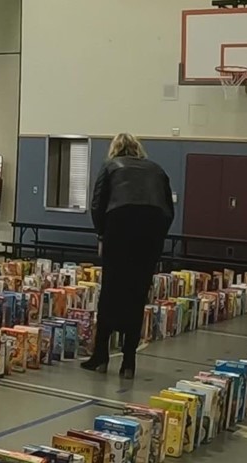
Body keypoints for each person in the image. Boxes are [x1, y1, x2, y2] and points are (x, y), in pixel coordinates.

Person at [81, 133, 174, 380]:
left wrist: (102, 233)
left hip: (119, 225)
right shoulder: (156, 169)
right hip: (152, 229)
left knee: (111, 290)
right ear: (138, 149)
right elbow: (169, 209)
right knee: (137, 293)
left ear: (115, 149)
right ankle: (129, 362)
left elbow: (97, 204)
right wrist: (157, 237)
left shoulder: (110, 167)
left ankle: (101, 356)